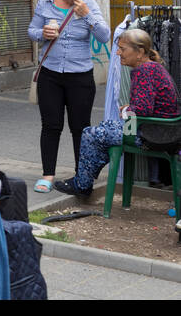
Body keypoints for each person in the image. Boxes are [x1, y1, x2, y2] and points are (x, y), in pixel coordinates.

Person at [55, 29, 178, 198]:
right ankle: (84, 180)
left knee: (90, 134)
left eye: (123, 48)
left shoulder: (145, 71)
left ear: (140, 52)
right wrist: (131, 107)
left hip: (152, 135)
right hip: (161, 130)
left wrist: (128, 110)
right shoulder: (151, 67)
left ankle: (82, 185)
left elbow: (143, 110)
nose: (118, 53)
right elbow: (148, 104)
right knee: (106, 128)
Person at [27, 0, 110, 193]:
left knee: (80, 128)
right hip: (50, 74)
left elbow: (104, 36)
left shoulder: (89, 5)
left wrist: (88, 16)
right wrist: (42, 33)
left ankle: (81, 176)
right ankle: (48, 175)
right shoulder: (45, 3)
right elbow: (31, 31)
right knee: (51, 126)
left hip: (80, 76)